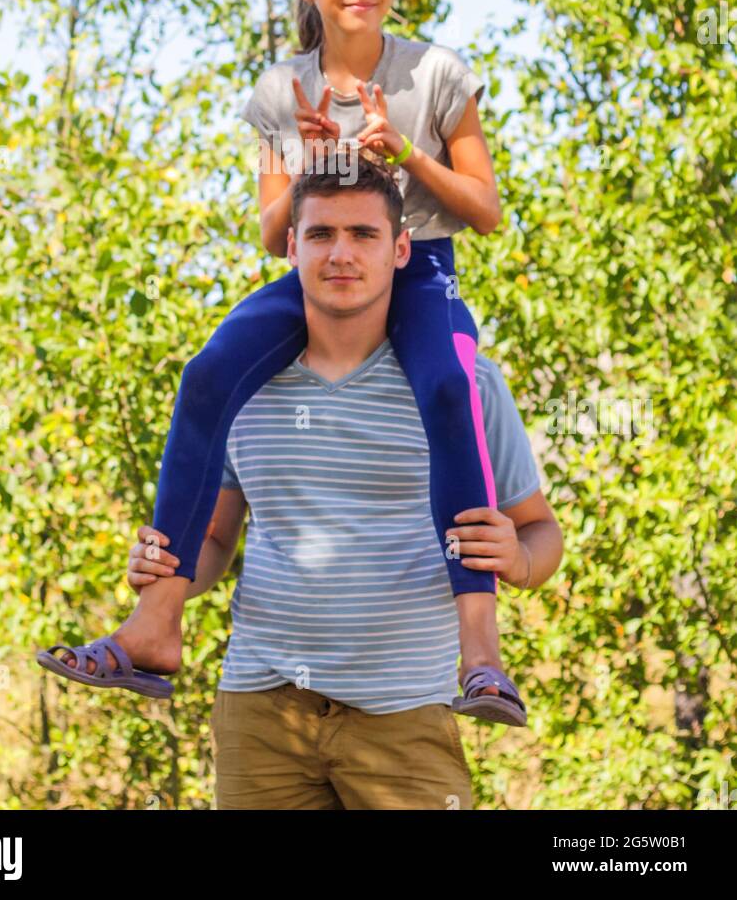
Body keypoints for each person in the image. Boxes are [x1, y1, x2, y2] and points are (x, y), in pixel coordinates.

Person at [37, 0, 525, 721]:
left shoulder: (436, 73)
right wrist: (315, 163)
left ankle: (481, 652)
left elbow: (485, 208)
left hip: (417, 266)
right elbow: (275, 234)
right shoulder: (280, 89)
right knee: (210, 370)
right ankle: (157, 623)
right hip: (319, 263)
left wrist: (400, 150)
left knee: (449, 385)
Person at [125, 162, 563, 809]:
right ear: (291, 245)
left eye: (363, 233)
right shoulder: (239, 384)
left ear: (401, 249)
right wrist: (170, 568)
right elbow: (216, 538)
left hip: (405, 719)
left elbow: (540, 529)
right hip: (261, 710)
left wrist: (521, 559)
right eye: (322, 233)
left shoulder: (465, 384)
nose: (342, 253)